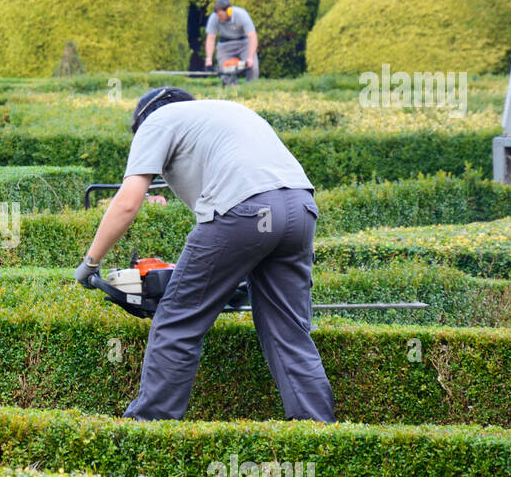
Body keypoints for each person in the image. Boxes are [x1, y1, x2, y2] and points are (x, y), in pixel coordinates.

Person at [74, 87, 334, 422]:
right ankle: (318, 428)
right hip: (300, 207)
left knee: (177, 321)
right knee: (288, 329)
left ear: (142, 121)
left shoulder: (155, 122)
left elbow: (126, 203)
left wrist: (90, 263)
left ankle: (148, 426)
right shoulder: (224, 113)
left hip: (245, 210)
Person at [204, 0, 258, 81]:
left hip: (244, 43)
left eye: (220, 15)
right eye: (217, 15)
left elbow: (252, 36)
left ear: (229, 11)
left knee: (253, 68)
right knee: (225, 72)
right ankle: (231, 90)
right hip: (225, 45)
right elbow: (210, 39)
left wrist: (250, 58)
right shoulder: (214, 18)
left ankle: (252, 89)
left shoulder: (241, 15)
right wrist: (208, 59)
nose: (218, 17)